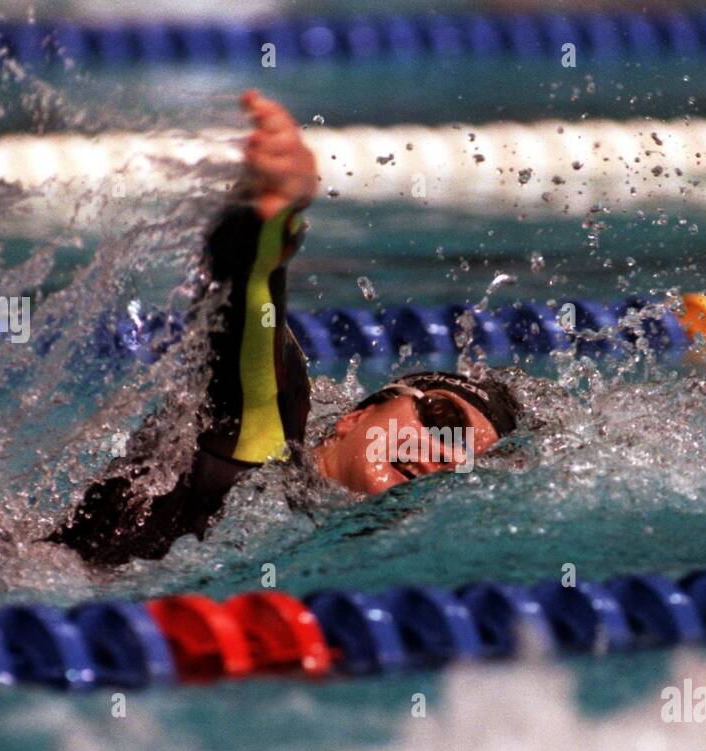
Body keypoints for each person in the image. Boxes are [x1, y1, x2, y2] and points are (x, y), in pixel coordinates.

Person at [50, 91, 520, 566]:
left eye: (465, 467)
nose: (445, 458)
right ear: (354, 417)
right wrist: (268, 216)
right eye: (444, 422)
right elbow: (244, 308)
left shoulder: (336, 556)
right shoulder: (265, 452)